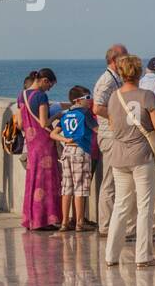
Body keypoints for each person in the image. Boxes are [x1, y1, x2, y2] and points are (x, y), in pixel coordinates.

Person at [104, 54, 155, 268]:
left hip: (118, 156)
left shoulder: (113, 97)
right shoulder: (147, 96)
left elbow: (113, 125)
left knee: (121, 206)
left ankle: (111, 255)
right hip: (141, 156)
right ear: (139, 72)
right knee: (145, 207)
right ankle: (144, 256)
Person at [19, 68, 63, 230]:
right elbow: (44, 122)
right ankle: (45, 219)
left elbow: (19, 122)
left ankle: (31, 219)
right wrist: (57, 116)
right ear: (44, 80)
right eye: (50, 85)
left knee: (33, 180)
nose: (49, 89)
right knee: (47, 180)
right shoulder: (40, 96)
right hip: (43, 141)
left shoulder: (22, 94)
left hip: (31, 142)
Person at [93, 44, 129, 236]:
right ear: (115, 61)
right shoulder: (107, 81)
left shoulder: (114, 79)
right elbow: (97, 107)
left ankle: (109, 224)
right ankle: (106, 226)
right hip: (109, 136)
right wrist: (118, 118)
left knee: (114, 182)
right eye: (125, 56)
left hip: (113, 135)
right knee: (109, 182)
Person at [51, 85, 98, 232]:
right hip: (81, 151)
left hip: (67, 152)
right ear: (78, 100)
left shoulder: (67, 114)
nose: (90, 101)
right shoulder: (84, 113)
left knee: (67, 188)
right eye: (88, 98)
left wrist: (65, 140)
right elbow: (97, 129)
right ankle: (79, 222)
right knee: (80, 188)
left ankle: (64, 222)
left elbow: (53, 133)